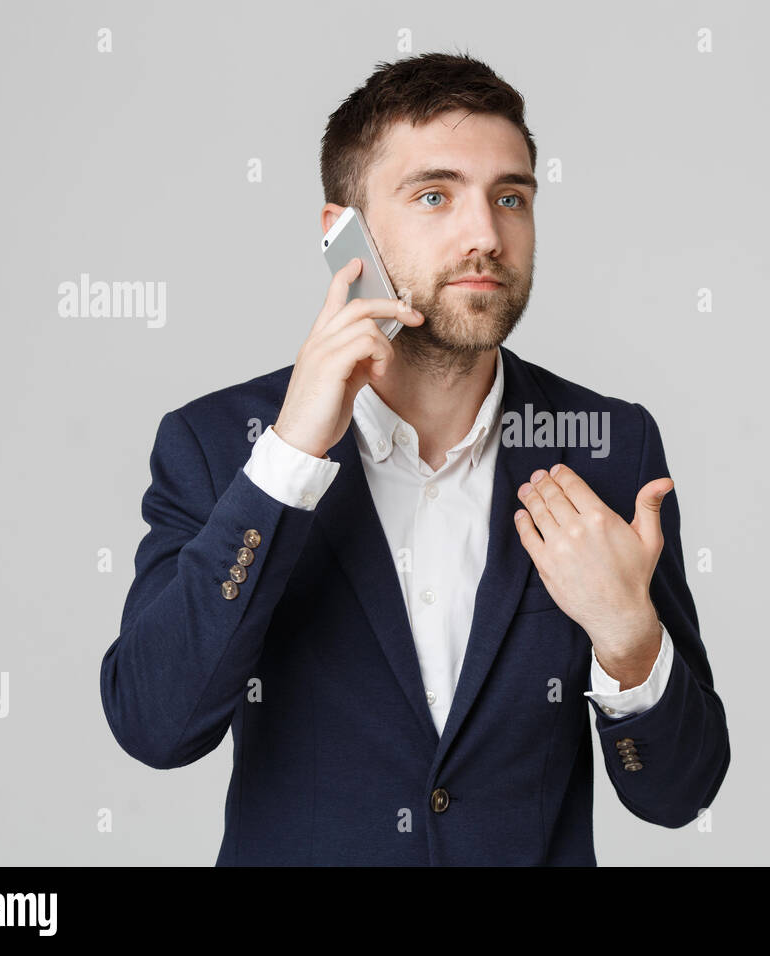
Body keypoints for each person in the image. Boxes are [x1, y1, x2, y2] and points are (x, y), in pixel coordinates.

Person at [100, 51, 730, 865]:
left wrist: (628, 640)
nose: (485, 235)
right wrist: (289, 459)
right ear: (343, 235)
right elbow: (156, 726)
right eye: (435, 196)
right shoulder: (222, 447)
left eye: (511, 198)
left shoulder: (609, 445)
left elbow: (679, 793)